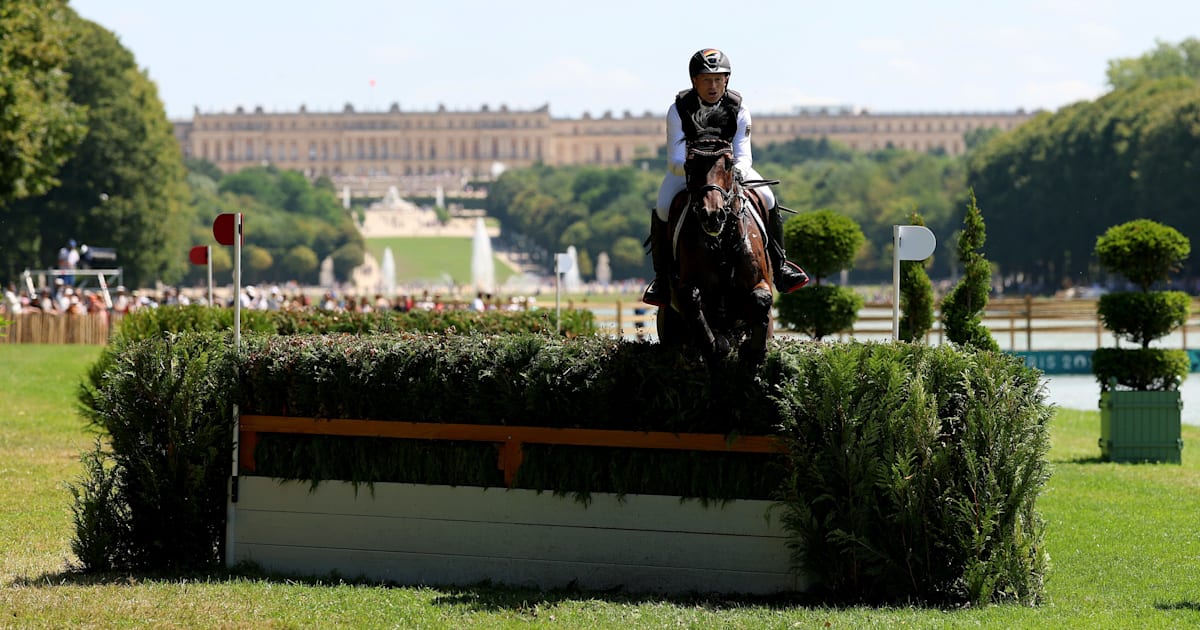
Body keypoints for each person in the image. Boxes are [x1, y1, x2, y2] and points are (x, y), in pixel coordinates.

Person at [643, 48, 809, 307]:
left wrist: (731, 175)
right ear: (694, 81)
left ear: (726, 81)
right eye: (707, 79)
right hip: (690, 172)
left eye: (719, 79)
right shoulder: (678, 110)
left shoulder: (739, 109)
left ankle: (781, 265)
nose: (713, 85)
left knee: (767, 196)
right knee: (663, 206)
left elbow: (744, 155)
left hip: (729, 171)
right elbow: (675, 158)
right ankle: (662, 278)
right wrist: (698, 171)